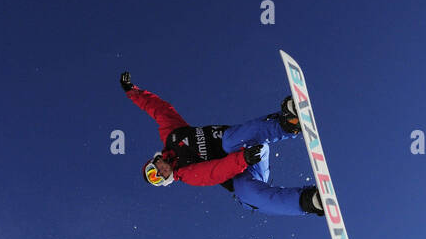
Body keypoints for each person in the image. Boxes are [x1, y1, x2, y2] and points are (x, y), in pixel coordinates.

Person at [120, 72, 323, 216]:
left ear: (154, 161)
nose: (160, 172)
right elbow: (214, 171)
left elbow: (159, 110)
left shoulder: (172, 136)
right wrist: (243, 159)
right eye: (157, 179)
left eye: (153, 170)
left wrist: (133, 92)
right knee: (245, 194)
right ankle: (308, 201)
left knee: (228, 140)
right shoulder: (186, 173)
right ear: (166, 181)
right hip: (247, 168)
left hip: (246, 144)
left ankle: (289, 123)